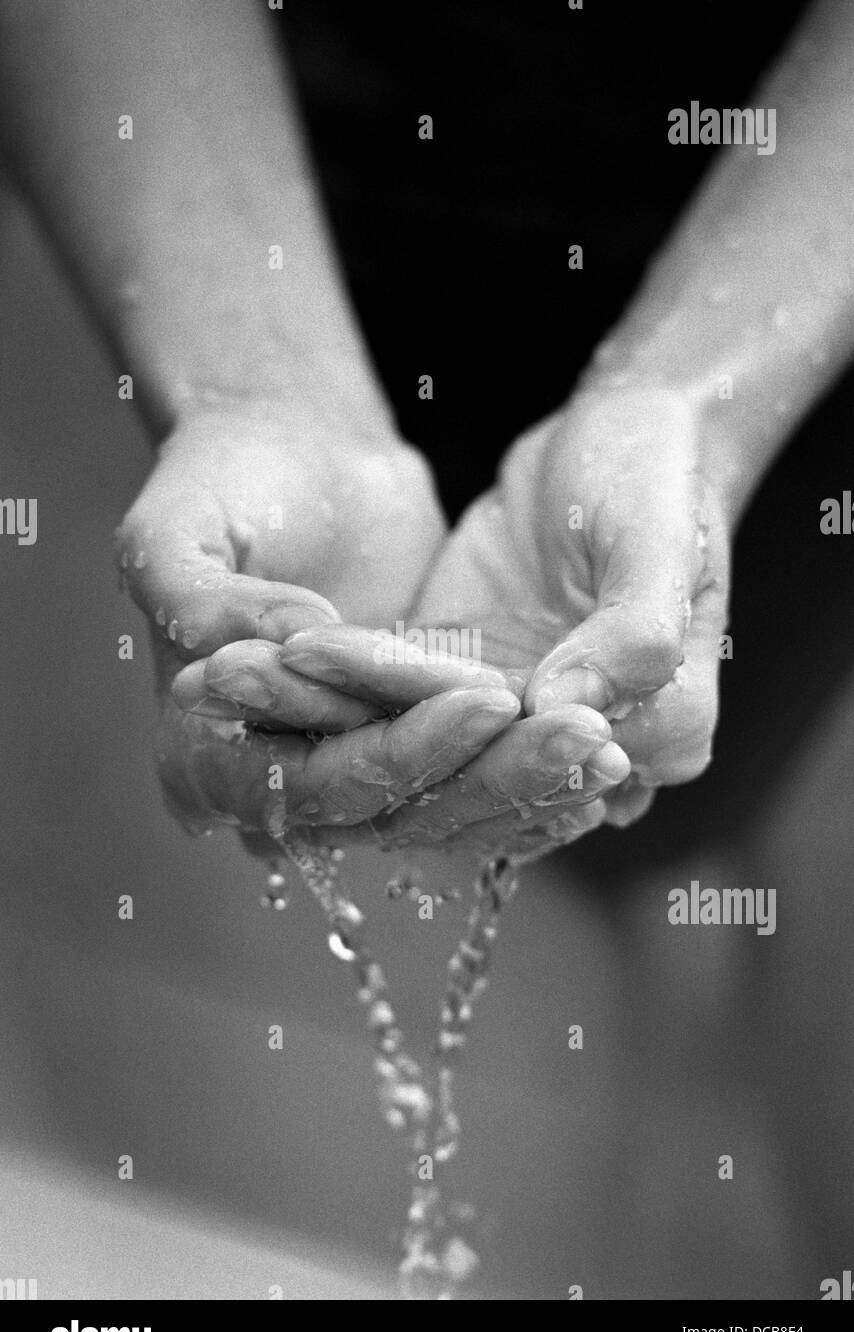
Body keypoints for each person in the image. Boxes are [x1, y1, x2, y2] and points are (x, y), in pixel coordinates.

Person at [2, 0, 852, 863]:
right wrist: (250, 385)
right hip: (252, 149)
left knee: (670, 801)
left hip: (801, 235)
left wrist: (696, 406)